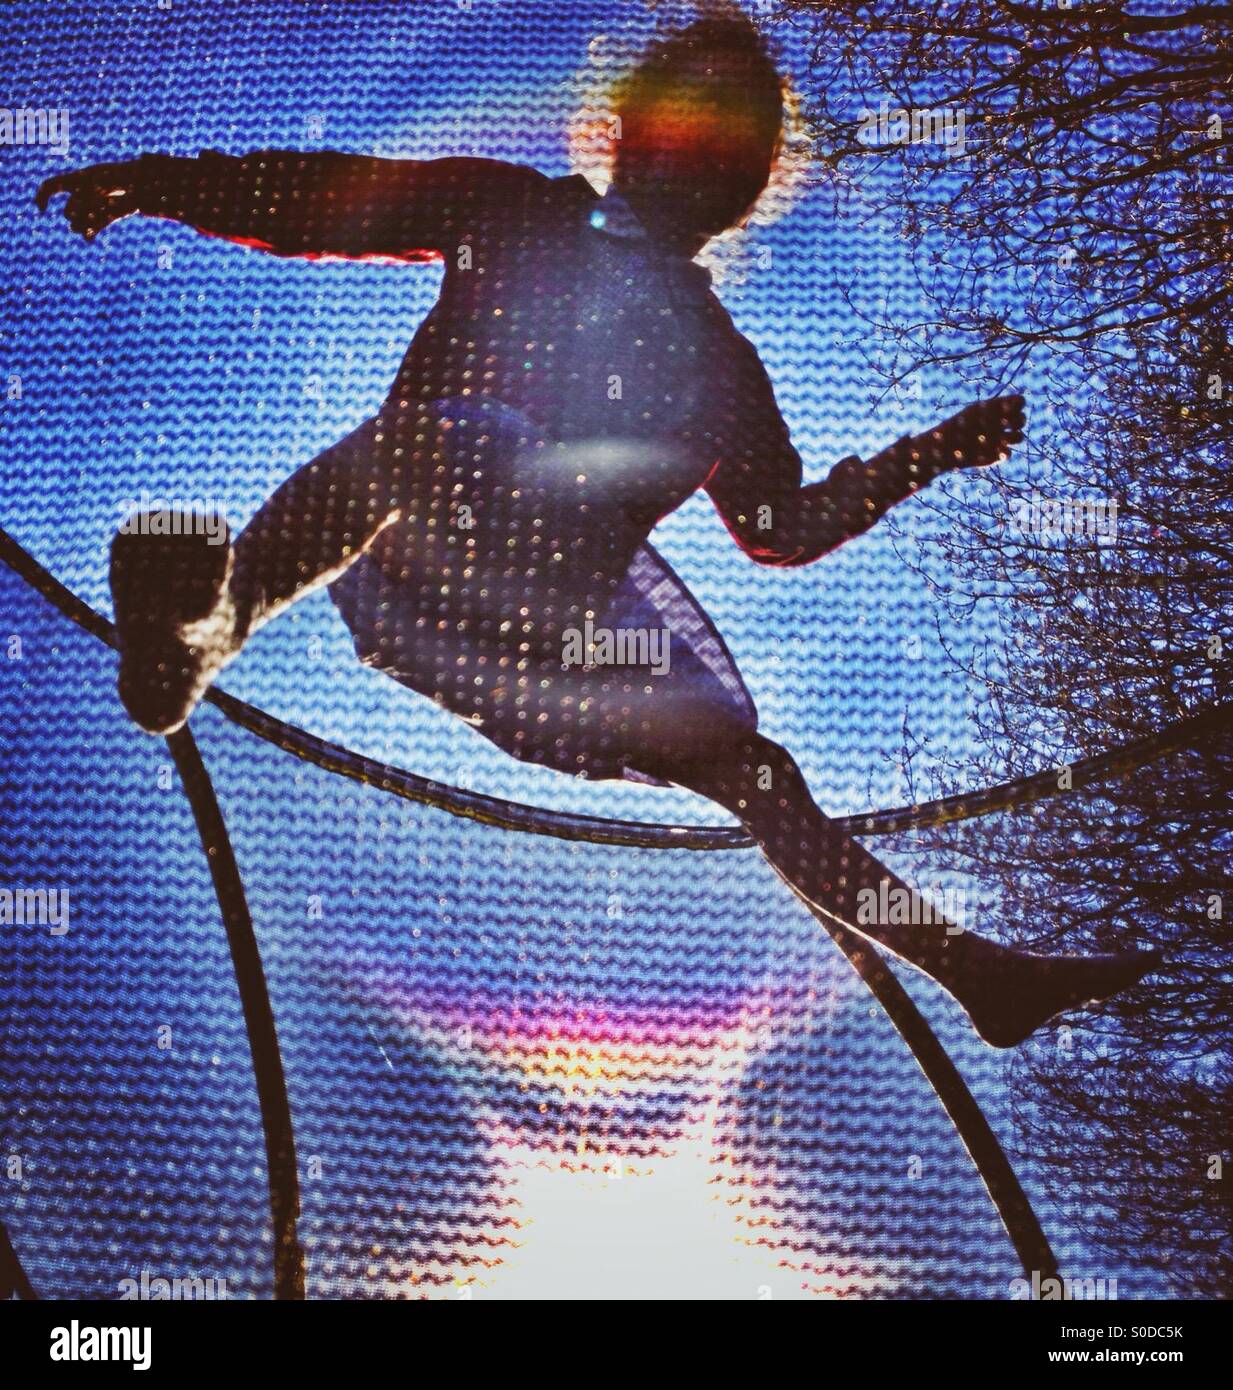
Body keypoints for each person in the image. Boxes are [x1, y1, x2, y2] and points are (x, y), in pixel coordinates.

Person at [37, 14, 1158, 1046]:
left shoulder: (723, 365)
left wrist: (927, 455)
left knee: (759, 776)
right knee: (438, 439)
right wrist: (165, 183)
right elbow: (333, 195)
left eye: (729, 146)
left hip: (568, 641)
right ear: (622, 127)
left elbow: (782, 525)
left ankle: (973, 971)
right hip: (413, 557)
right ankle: (206, 627)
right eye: (684, 120)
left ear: (749, 185)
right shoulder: (512, 211)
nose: (697, 156)